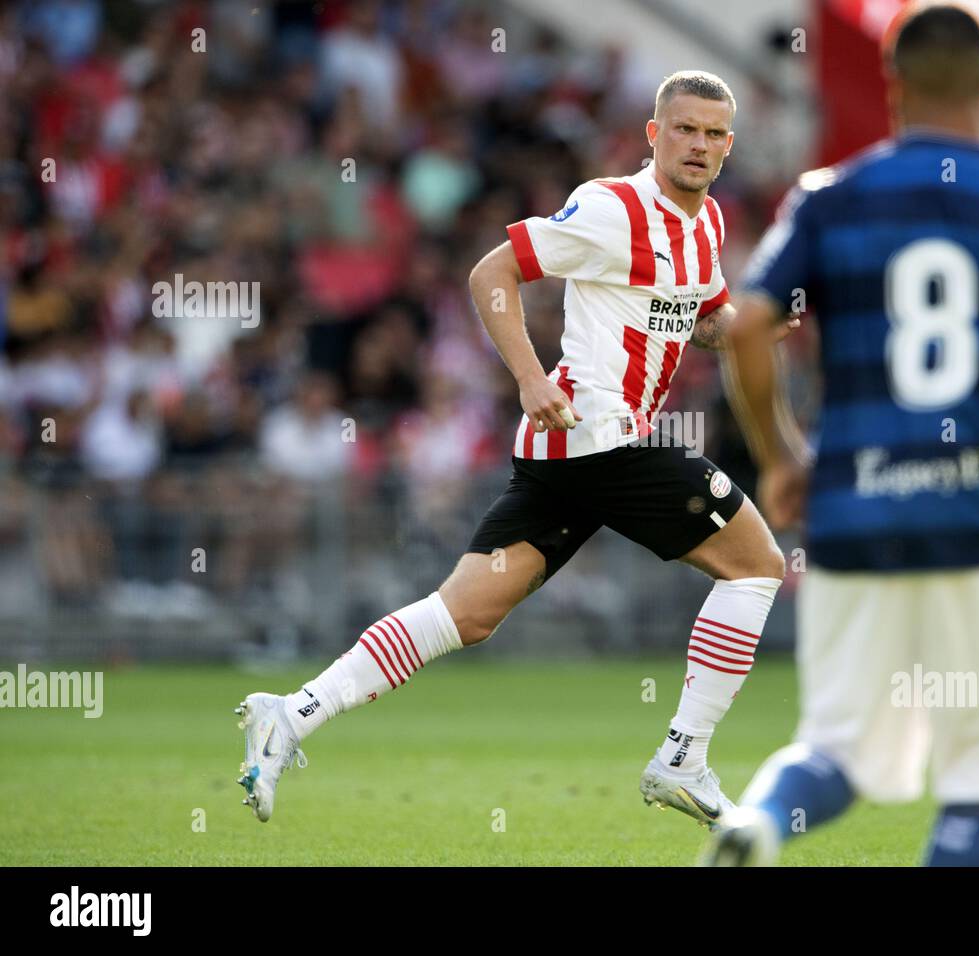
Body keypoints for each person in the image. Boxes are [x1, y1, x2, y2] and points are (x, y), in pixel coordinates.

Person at [235, 71, 794, 828]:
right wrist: (530, 377)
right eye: (684, 129)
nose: (698, 144)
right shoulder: (611, 207)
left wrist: (760, 325)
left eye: (712, 133)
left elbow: (707, 318)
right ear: (653, 134)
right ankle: (683, 758)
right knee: (757, 564)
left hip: (568, 453)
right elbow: (491, 270)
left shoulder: (707, 225)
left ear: (729, 146)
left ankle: (289, 715)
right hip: (601, 435)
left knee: (464, 614)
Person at [703, 3, 979, 866]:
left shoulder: (829, 200)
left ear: (892, 84)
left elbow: (747, 325)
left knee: (834, 747)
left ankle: (755, 823)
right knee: (977, 782)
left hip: (856, 511)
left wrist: (783, 454)